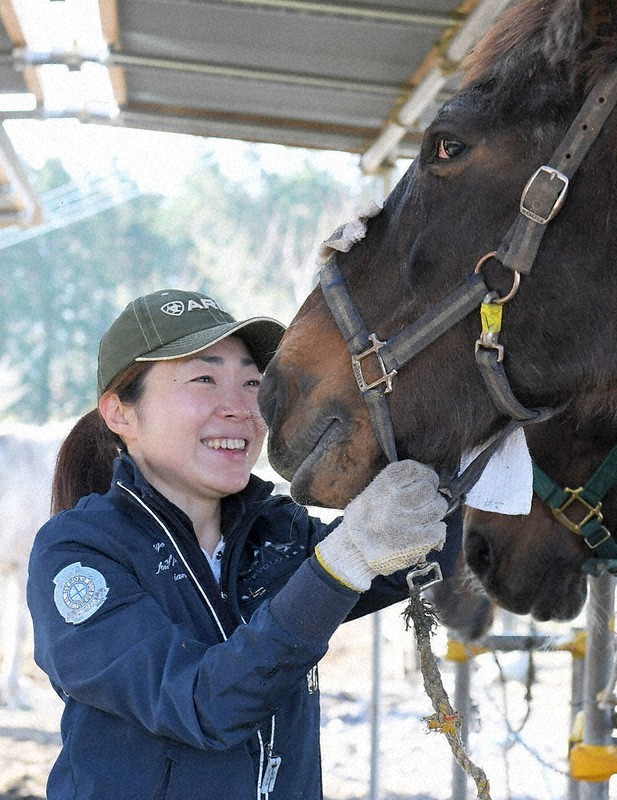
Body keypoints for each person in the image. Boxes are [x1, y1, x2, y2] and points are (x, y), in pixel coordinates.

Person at [27, 289, 461, 800]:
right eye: (204, 379)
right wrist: (345, 560)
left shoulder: (277, 533)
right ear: (121, 414)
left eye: (253, 383)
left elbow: (425, 552)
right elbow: (203, 703)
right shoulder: (79, 554)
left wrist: (469, 418)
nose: (239, 408)